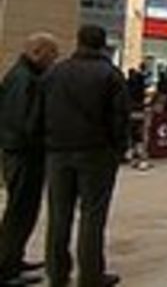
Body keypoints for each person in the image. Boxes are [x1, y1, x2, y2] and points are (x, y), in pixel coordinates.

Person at [43, 25, 128, 287]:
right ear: (103, 45)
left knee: (58, 215)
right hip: (96, 153)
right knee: (92, 215)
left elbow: (40, 110)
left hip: (58, 152)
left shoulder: (55, 72)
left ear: (78, 41)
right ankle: (90, 275)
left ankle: (57, 273)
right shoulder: (110, 75)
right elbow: (119, 118)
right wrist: (118, 149)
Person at [0, 33, 59, 285]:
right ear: (38, 52)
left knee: (24, 211)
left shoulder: (27, 76)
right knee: (19, 211)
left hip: (24, 153)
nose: (54, 61)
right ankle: (6, 268)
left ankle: (14, 257)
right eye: (52, 55)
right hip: (23, 155)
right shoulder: (24, 80)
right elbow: (22, 122)